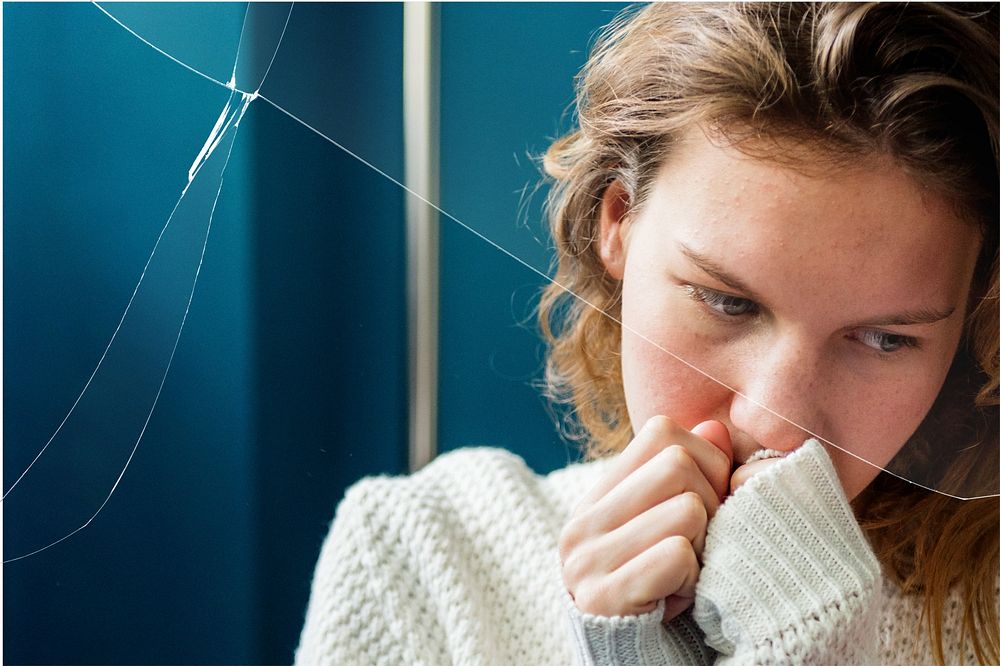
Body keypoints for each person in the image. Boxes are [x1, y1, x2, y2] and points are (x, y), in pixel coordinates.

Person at [296, 4, 998, 664]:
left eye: (883, 340)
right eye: (728, 301)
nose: (774, 426)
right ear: (618, 221)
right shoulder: (421, 555)